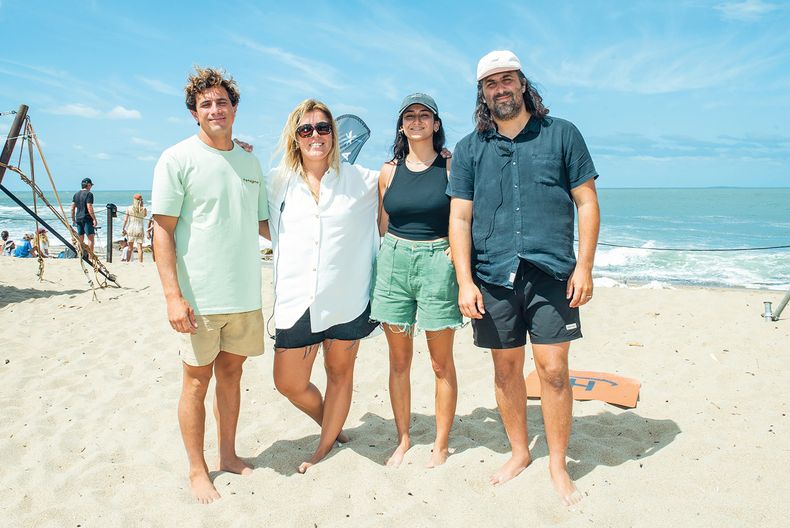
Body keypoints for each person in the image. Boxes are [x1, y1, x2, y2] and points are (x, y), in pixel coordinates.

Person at [447, 50, 600, 506]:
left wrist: (586, 266)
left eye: (507, 79)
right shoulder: (470, 148)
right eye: (491, 83)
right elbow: (459, 218)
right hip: (491, 276)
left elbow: (587, 202)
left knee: (554, 372)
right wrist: (464, 281)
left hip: (552, 272)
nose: (501, 88)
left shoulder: (562, 134)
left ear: (522, 82)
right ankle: (519, 452)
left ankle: (556, 462)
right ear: (483, 93)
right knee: (506, 370)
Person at [151, 66, 269, 504]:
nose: (215, 109)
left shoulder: (251, 161)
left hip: (244, 296)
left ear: (234, 108)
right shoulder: (176, 158)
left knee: (233, 376)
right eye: (206, 104)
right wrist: (172, 297)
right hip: (198, 299)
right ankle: (197, 470)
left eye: (222, 102)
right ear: (194, 114)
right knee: (196, 383)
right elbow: (161, 230)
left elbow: (263, 224)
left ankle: (228, 455)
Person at [266, 99, 379, 474]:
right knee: (288, 381)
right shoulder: (276, 182)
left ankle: (325, 445)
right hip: (297, 298)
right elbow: (256, 219)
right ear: (294, 137)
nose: (315, 135)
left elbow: (404, 190)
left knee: (340, 372)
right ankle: (331, 421)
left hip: (347, 296)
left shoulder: (363, 179)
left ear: (333, 133)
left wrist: (441, 159)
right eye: (305, 129)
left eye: (323, 127)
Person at [370, 93, 462, 468]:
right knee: (398, 362)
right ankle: (404, 438)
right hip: (393, 261)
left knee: (441, 364)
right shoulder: (388, 170)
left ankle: (440, 444)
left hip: (437, 263)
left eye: (425, 115)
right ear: (402, 125)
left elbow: (465, 215)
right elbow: (382, 224)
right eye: (410, 116)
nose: (417, 121)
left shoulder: (452, 165)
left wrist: (458, 252)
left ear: (436, 124)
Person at [71, 177, 98, 252]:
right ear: (88, 185)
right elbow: (89, 207)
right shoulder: (89, 194)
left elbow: (72, 208)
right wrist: (94, 219)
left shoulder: (76, 194)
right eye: (91, 185)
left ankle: (81, 255)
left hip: (78, 218)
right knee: (91, 238)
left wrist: (73, 219)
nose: (91, 187)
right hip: (86, 218)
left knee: (80, 238)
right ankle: (90, 256)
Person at [122, 193, 147, 263]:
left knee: (130, 248)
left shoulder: (129, 208)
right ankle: (140, 263)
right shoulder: (144, 209)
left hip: (131, 229)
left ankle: (128, 261)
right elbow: (144, 216)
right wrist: (142, 205)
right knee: (140, 248)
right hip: (139, 229)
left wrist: (123, 228)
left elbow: (125, 219)